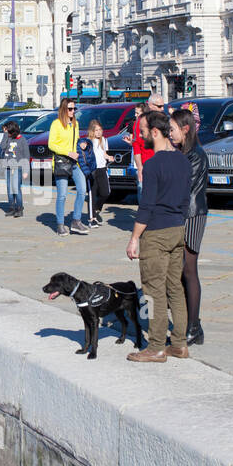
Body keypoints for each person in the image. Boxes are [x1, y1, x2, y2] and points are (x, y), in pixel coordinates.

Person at [125, 111, 189, 362]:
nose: (140, 137)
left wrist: (134, 238)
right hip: (177, 229)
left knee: (153, 291)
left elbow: (147, 206)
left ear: (154, 132)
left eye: (142, 132)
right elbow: (186, 199)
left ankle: (156, 346)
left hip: (156, 233)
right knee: (175, 287)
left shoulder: (152, 164)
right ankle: (180, 344)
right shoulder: (183, 161)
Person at [169, 107, 209, 346]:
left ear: (185, 129)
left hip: (192, 215)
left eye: (172, 129)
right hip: (183, 214)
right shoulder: (183, 151)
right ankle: (191, 324)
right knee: (183, 270)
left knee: (188, 270)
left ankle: (193, 326)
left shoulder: (195, 154)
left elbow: (185, 189)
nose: (170, 134)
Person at [49, 98, 88, 236]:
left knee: (82, 189)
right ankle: (60, 224)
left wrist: (81, 144)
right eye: (70, 109)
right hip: (61, 162)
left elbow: (75, 141)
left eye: (74, 109)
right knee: (62, 195)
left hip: (74, 162)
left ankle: (76, 221)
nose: (72, 111)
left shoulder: (75, 124)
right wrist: (68, 152)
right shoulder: (56, 124)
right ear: (64, 109)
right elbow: (51, 144)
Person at [79, 119, 110, 227]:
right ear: (92, 131)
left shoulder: (104, 140)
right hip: (92, 170)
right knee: (92, 194)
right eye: (96, 130)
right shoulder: (88, 141)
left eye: (100, 130)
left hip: (102, 169)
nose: (99, 132)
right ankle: (92, 219)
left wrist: (109, 157)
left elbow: (104, 154)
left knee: (106, 192)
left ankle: (97, 208)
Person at [132, 93, 166, 191]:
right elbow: (136, 146)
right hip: (147, 165)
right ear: (150, 105)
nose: (162, 109)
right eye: (159, 106)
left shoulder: (164, 120)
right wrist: (139, 168)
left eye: (163, 106)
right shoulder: (141, 121)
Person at [0, 120, 30, 217]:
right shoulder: (7, 137)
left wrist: (26, 170)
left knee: (16, 188)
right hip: (7, 166)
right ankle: (12, 208)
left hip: (18, 167)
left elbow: (26, 156)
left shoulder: (22, 139)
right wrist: (5, 135)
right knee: (9, 188)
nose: (8, 133)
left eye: (8, 131)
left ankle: (19, 208)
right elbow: (2, 147)